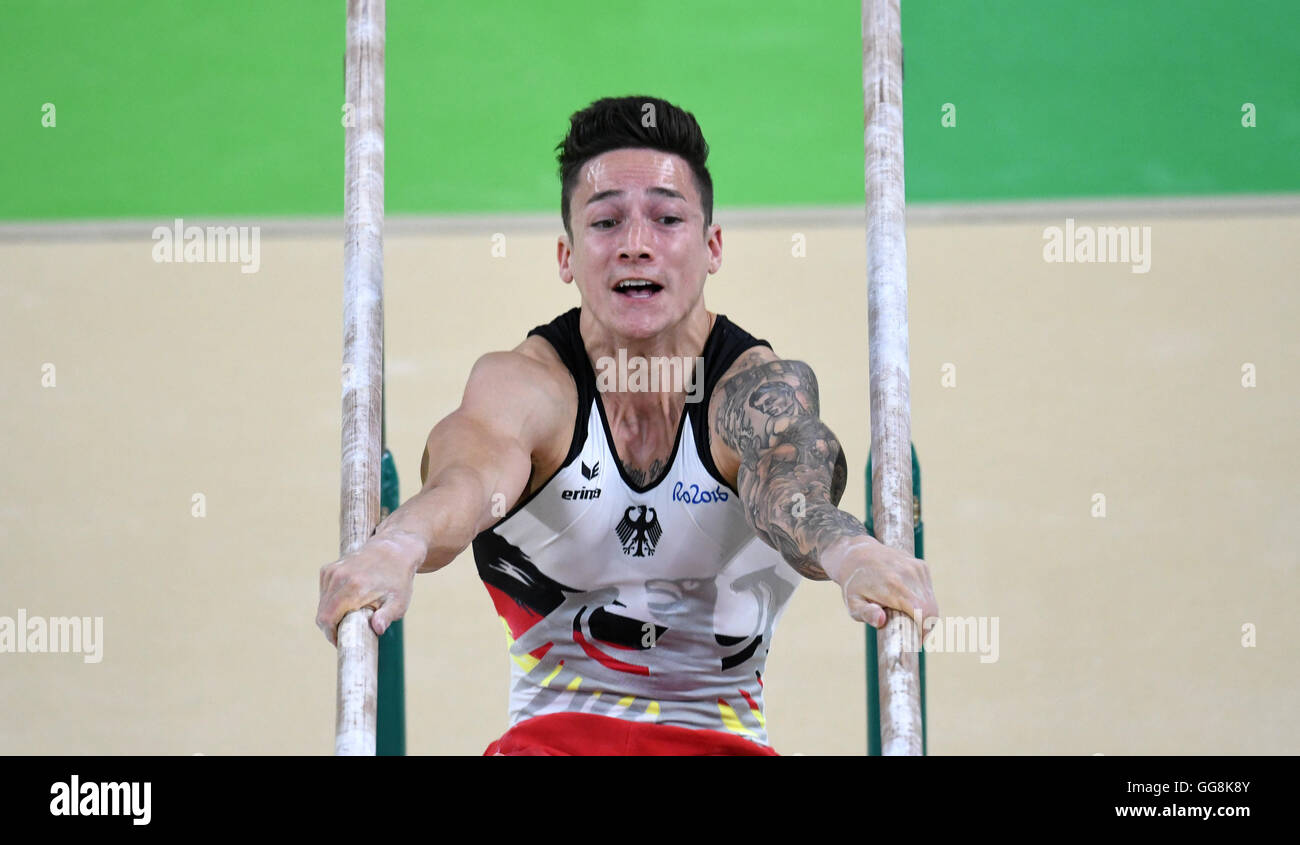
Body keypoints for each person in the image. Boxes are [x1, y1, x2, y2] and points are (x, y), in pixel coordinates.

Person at [317, 95, 938, 755]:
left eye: (667, 219)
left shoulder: (757, 389)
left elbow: (792, 492)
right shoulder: (524, 387)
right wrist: (399, 544)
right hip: (549, 743)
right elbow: (468, 482)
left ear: (712, 246)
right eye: (607, 221)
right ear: (567, 254)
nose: (637, 245)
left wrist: (852, 551)